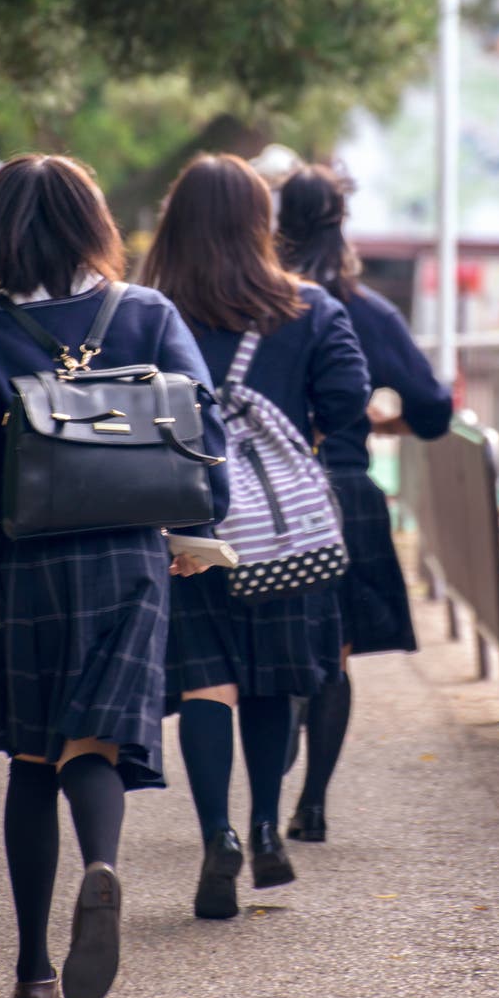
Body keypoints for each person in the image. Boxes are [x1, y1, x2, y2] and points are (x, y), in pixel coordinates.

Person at [0, 155, 228, 998]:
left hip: (26, 562)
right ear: (93, 223)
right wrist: (197, 533)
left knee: (31, 756)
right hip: (133, 561)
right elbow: (205, 434)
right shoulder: (147, 311)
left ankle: (32, 970)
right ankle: (104, 865)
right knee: (93, 743)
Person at [142, 154, 370, 919]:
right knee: (272, 681)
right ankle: (268, 823)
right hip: (282, 536)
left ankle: (219, 835)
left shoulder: (141, 311)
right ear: (260, 225)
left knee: (207, 677)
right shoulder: (309, 309)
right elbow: (347, 405)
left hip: (179, 528)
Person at [276, 165, 453, 841]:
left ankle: (277, 737)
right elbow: (435, 410)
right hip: (343, 489)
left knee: (270, 638)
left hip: (258, 498)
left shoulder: (252, 302)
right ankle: (313, 805)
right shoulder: (366, 310)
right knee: (335, 653)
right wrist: (381, 424)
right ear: (340, 224)